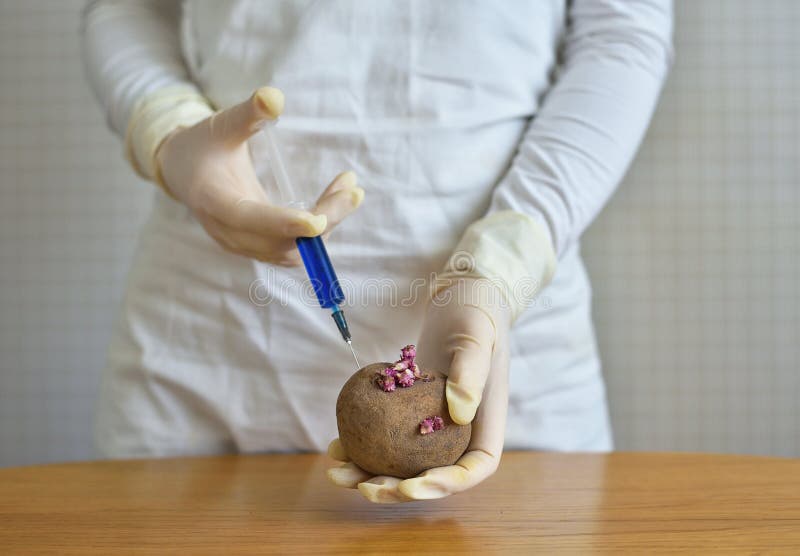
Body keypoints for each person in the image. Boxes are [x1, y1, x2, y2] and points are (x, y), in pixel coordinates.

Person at [81, 0, 672, 503]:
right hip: (207, 353)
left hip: (516, 355)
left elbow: (621, 33)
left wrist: (505, 262)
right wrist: (163, 126)